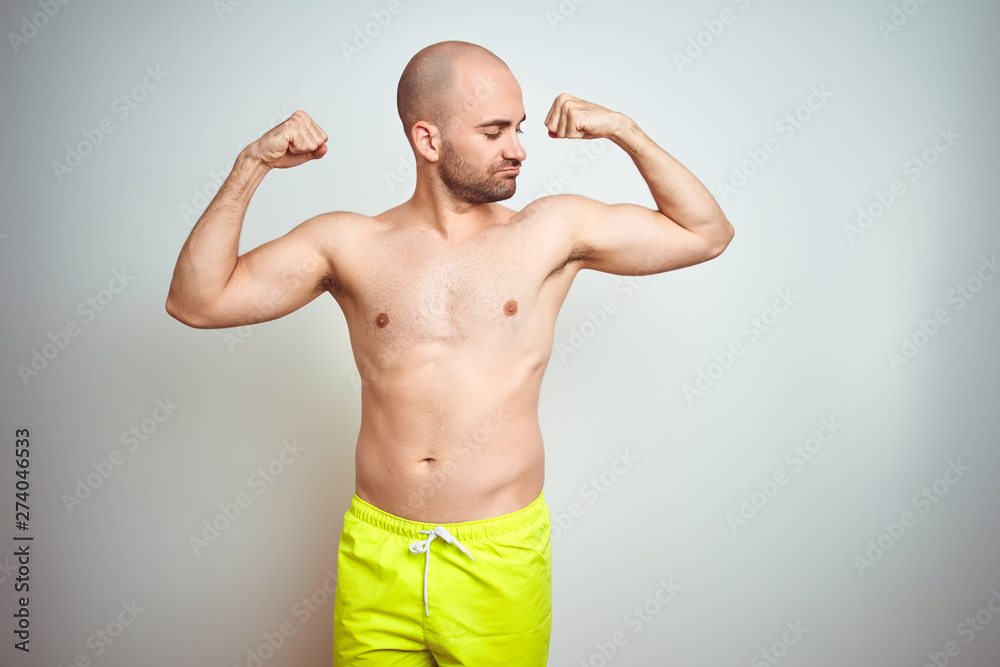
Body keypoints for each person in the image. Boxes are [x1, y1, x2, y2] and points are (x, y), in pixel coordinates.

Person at [166, 40, 733, 666]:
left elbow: (705, 233)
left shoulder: (549, 232)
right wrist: (252, 165)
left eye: (517, 129)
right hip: (378, 553)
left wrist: (625, 131)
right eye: (494, 132)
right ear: (428, 140)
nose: (518, 148)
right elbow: (198, 301)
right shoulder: (349, 242)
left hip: (499, 556)